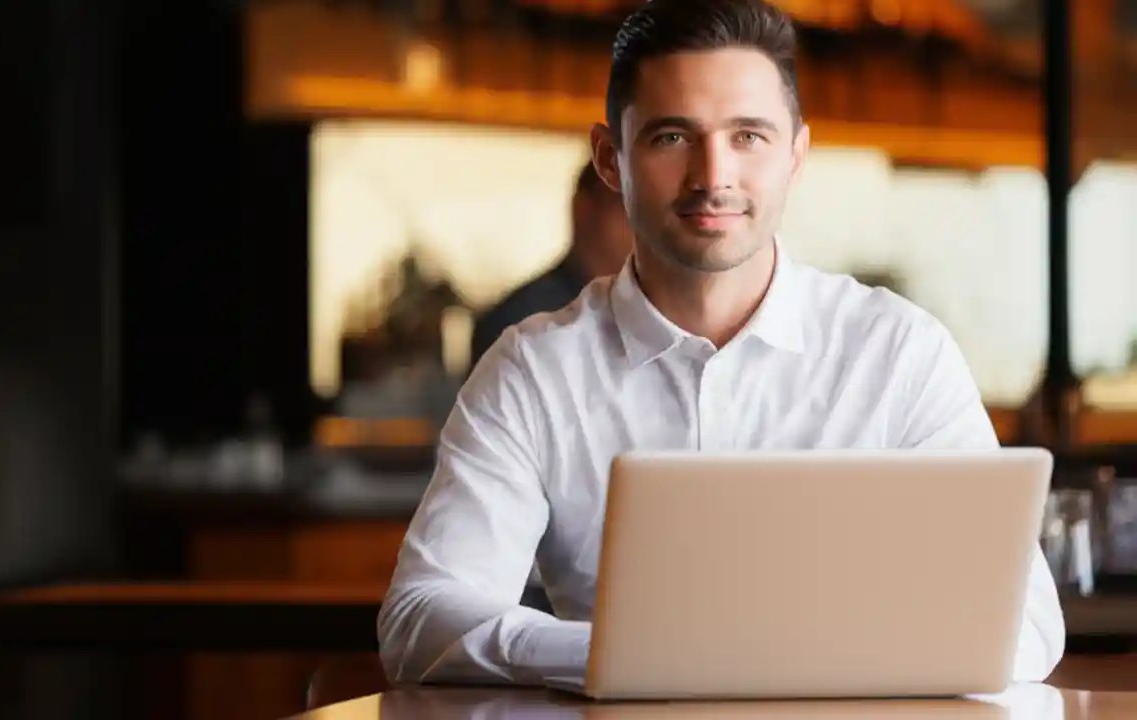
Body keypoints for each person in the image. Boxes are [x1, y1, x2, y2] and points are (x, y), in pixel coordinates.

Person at [378, 0, 1065, 690]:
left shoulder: (899, 355)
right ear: (609, 160)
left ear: (796, 155)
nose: (713, 176)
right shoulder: (530, 372)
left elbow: (1028, 624)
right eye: (673, 137)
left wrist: (801, 660)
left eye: (748, 137)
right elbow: (420, 618)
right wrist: (632, 657)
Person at [469, 162, 633, 366]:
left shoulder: (652, 316)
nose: (640, 225)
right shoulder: (520, 323)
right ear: (584, 208)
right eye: (626, 206)